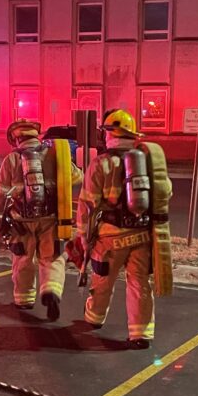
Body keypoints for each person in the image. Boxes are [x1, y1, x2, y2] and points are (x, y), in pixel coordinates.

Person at [73, 109, 172, 349]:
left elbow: (87, 205)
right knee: (140, 284)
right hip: (141, 237)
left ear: (109, 134)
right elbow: (166, 192)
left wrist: (83, 237)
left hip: (110, 238)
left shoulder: (101, 163)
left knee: (102, 281)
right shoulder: (147, 161)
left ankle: (94, 318)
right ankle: (141, 334)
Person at [0, 119, 82, 320]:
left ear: (16, 139)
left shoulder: (12, 159)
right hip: (50, 219)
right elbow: (77, 177)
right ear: (36, 135)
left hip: (20, 222)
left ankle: (24, 299)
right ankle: (51, 291)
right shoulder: (53, 154)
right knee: (52, 258)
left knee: (23, 259)